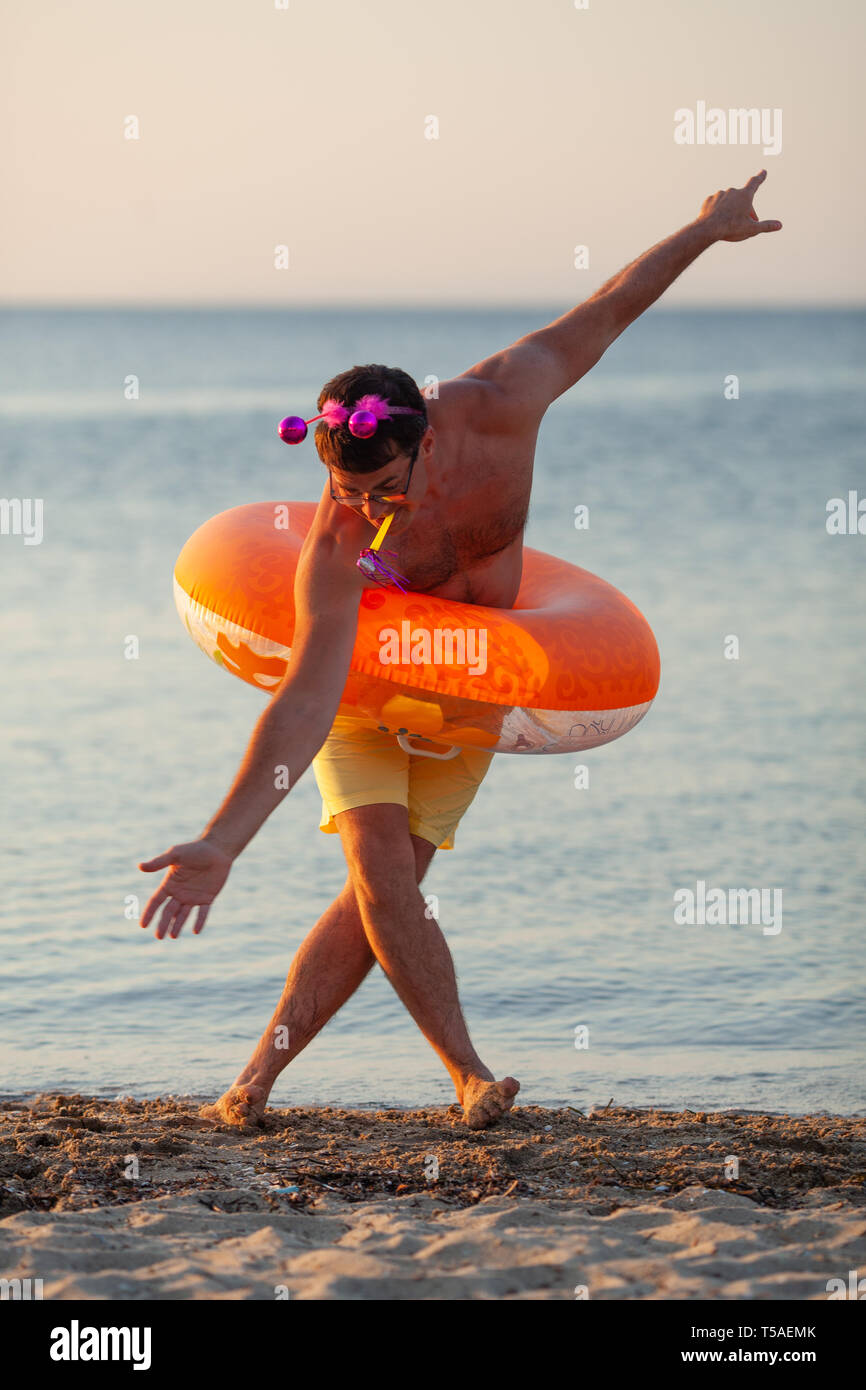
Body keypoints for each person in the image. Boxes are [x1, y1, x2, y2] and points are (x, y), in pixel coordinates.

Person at [139, 173, 781, 1129]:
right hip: (367, 688)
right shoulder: (336, 542)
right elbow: (305, 696)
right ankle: (472, 1079)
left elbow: (610, 309)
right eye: (348, 490)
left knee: (378, 899)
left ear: (427, 442)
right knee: (383, 877)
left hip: (471, 692)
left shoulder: (512, 392)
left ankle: (251, 1087)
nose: (369, 509)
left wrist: (706, 229)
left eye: (385, 486)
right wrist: (224, 840)